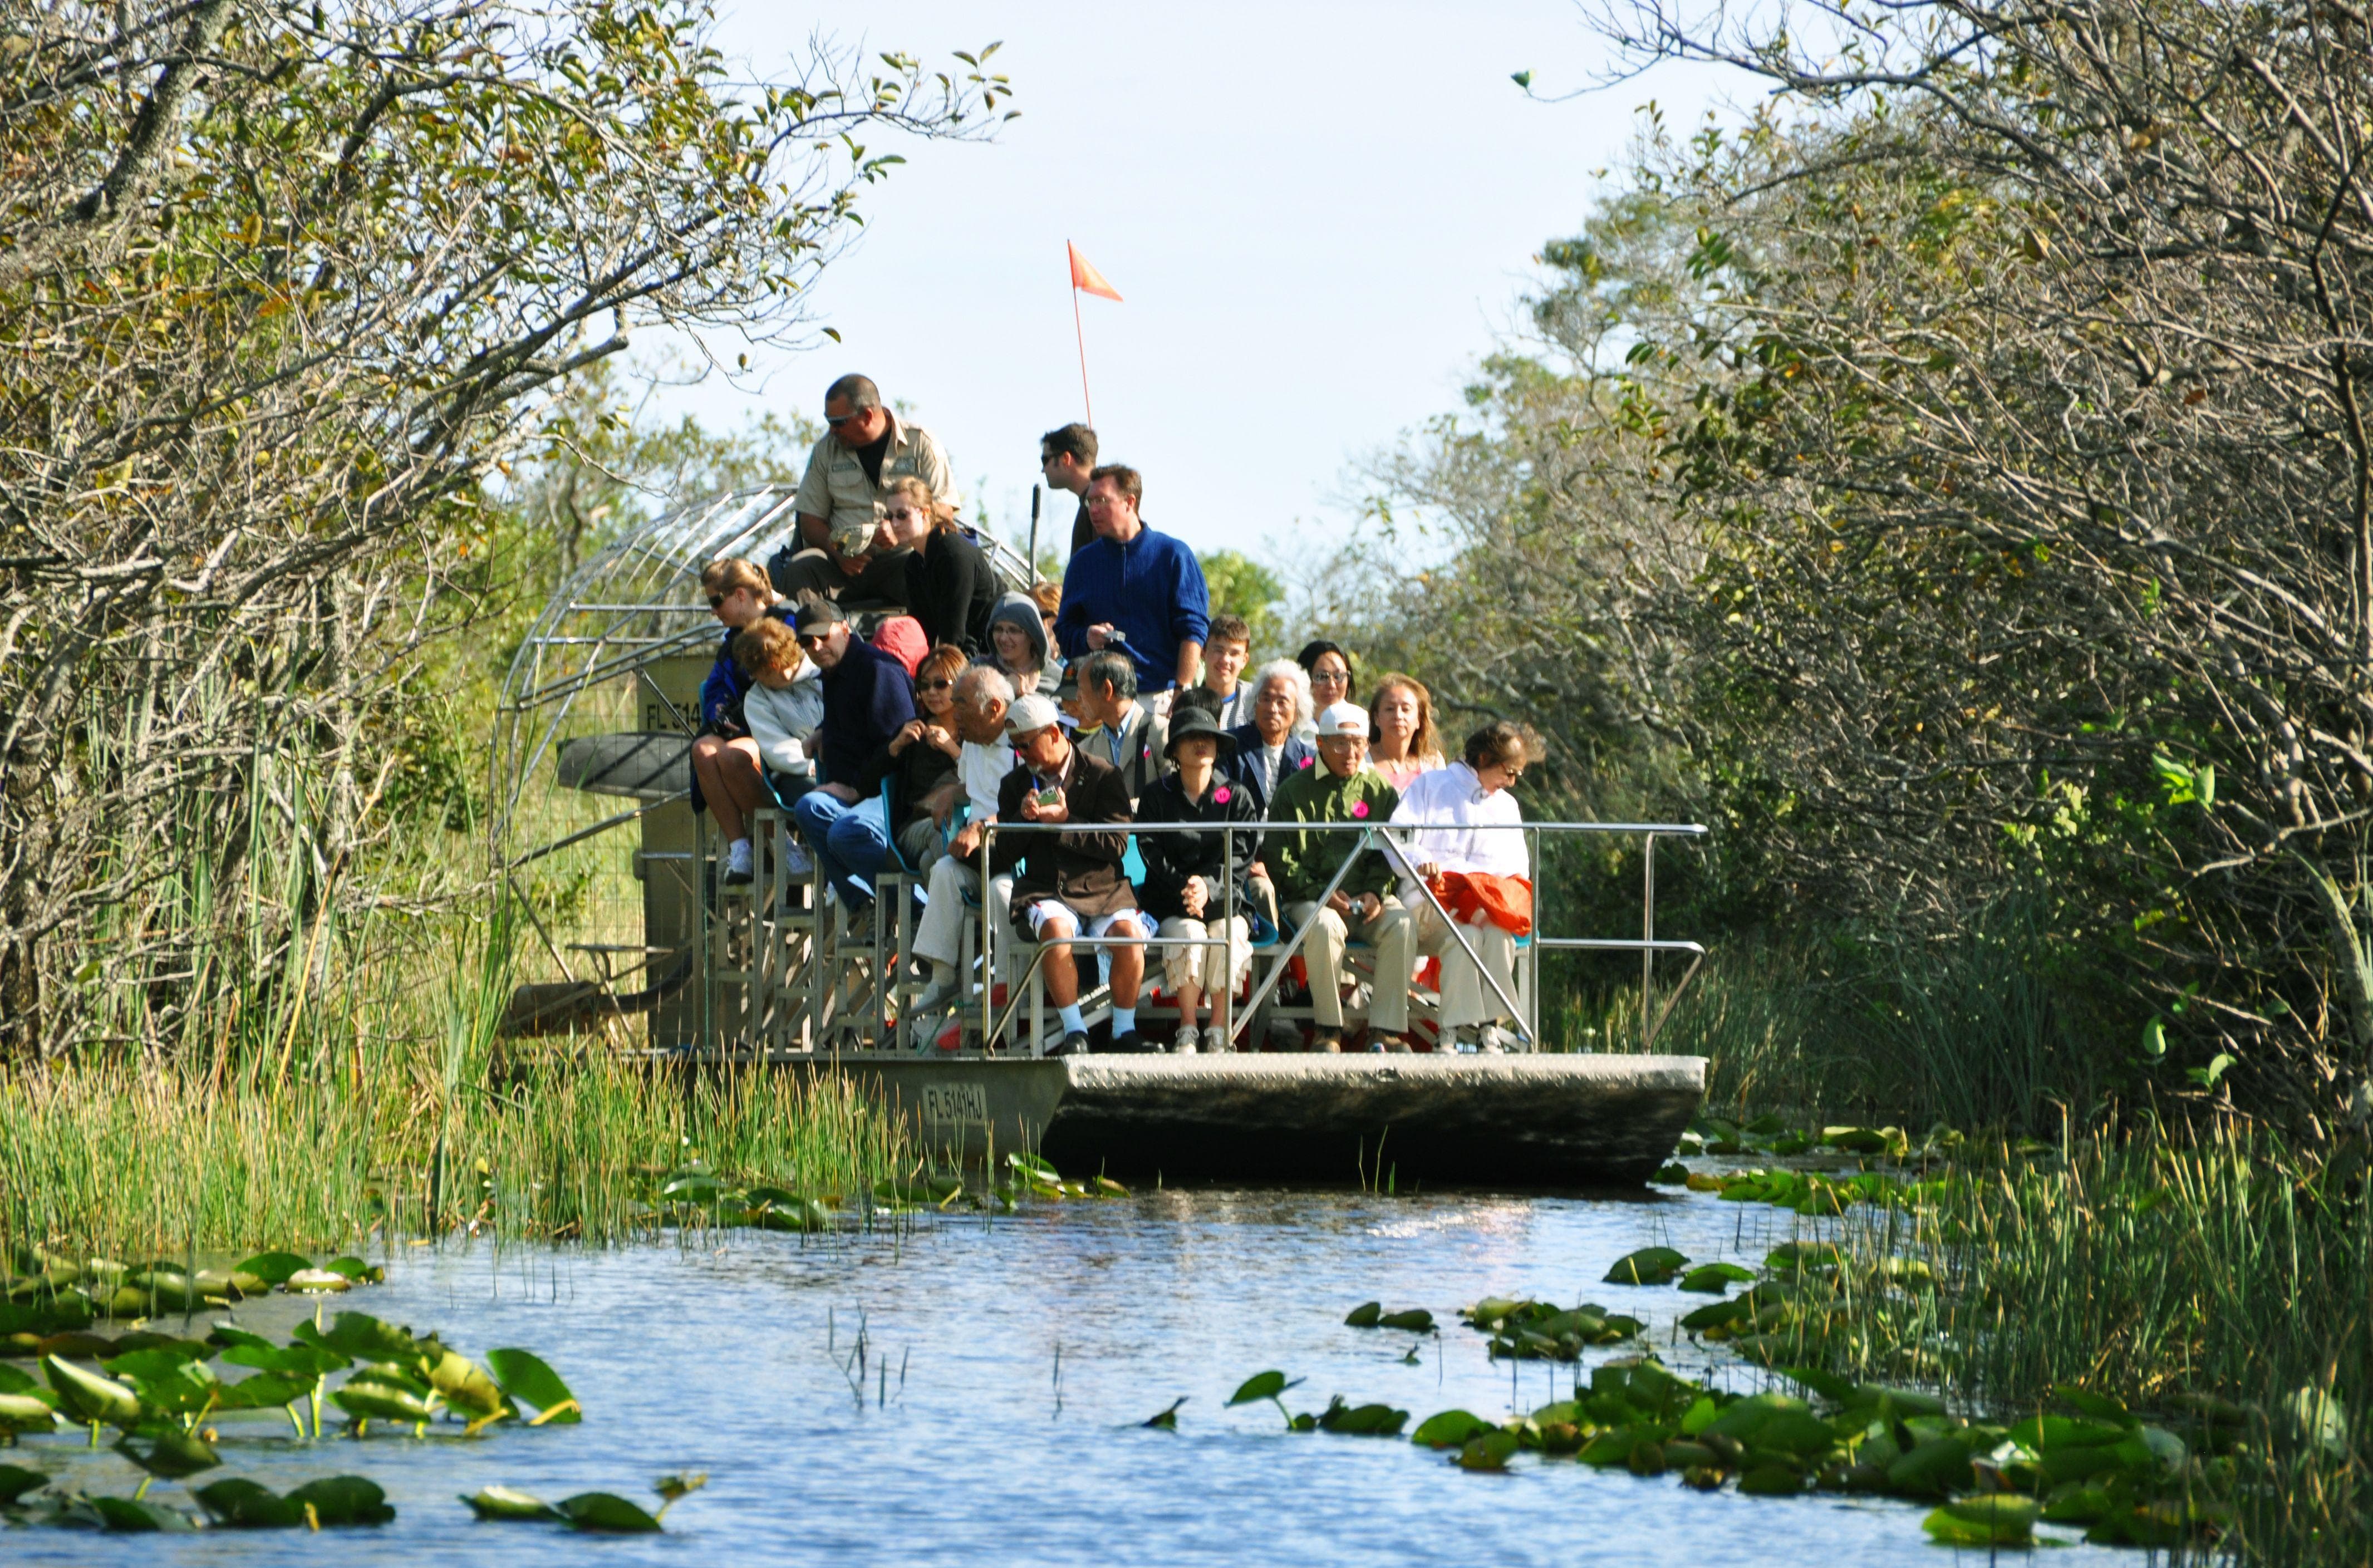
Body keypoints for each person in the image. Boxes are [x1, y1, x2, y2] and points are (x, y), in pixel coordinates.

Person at [990, 695, 1150, 1056]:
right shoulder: (1014, 784)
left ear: (1053, 732)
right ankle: (1074, 1030)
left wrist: (1064, 823)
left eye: (1026, 744)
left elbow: (1116, 844)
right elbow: (1005, 853)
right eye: (1015, 747)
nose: (1021, 754)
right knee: (1055, 930)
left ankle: (1124, 1031)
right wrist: (1023, 821)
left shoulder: (1104, 774)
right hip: (1045, 888)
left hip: (1103, 889)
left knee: (1128, 933)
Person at [1270, 701, 1411, 1052]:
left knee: (1402, 924)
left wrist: (1377, 892)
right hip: (1311, 899)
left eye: (1359, 743)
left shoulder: (1380, 791)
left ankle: (1384, 1031)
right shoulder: (1293, 791)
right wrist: (1322, 893)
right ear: (1320, 743)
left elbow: (1392, 853)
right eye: (1340, 743)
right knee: (1324, 927)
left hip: (1367, 900)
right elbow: (1280, 859)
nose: (1351, 752)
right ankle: (1328, 1030)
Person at [1391, 721, 1540, 1053]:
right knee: (1467, 936)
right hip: (1429, 902)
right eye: (1509, 772)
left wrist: (1488, 891)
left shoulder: (1507, 806)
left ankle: (1490, 1028)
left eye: (1518, 774)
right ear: (1484, 758)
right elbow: (1397, 836)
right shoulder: (1431, 785)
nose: (1513, 782)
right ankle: (1450, 1030)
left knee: (1501, 935)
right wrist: (1420, 860)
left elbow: (1519, 869)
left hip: (1483, 906)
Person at [1133, 705, 1261, 1054]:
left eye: (1208, 738)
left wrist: (1208, 886)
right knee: (1190, 933)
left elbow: (1241, 857)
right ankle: (1188, 1028)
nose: (1201, 744)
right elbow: (1150, 851)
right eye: (1190, 738)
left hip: (1226, 899)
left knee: (1226, 934)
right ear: (1174, 750)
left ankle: (1219, 1031)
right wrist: (1186, 888)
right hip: (1172, 900)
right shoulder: (1156, 796)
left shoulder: (1237, 796)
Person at [787, 598, 917, 920]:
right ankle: (863, 902)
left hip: (888, 794)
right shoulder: (835, 672)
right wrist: (822, 730)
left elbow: (901, 750)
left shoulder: (877, 670)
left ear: (845, 629)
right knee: (808, 808)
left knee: (844, 833)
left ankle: (914, 908)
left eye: (823, 635)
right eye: (806, 641)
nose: (816, 646)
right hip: (853, 790)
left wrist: (856, 789)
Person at [911, 666, 1019, 1020]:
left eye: (963, 706)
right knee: (943, 870)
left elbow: (1039, 804)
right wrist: (950, 793)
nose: (955, 715)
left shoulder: (1025, 742)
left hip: (1020, 857)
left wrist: (986, 827)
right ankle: (942, 978)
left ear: (994, 710)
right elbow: (975, 787)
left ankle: (1005, 986)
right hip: (979, 856)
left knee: (1003, 893)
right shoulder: (974, 742)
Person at [1054, 465, 1208, 693]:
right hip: (1099, 702)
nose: (1093, 510)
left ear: (1130, 502)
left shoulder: (1174, 556)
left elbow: (1194, 630)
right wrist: (1086, 638)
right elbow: (1064, 632)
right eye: (1090, 502)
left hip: (1163, 699)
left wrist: (1182, 689)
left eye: (1102, 501)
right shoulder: (1082, 564)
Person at [689, 558, 792, 884]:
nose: (714, 611)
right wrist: (720, 714)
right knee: (704, 750)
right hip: (741, 725)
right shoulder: (731, 642)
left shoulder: (786, 621)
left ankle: (783, 845)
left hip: (777, 725)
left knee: (733, 755)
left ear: (741, 595)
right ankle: (740, 849)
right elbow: (718, 686)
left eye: (717, 601)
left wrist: (746, 715)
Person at [787, 372, 956, 556]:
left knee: (927, 562)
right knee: (802, 568)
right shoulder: (825, 450)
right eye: (829, 421)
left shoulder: (922, 444)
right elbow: (810, 520)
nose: (832, 430)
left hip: (905, 560)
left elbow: (943, 511)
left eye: (839, 423)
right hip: (843, 563)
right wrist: (838, 554)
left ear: (867, 416)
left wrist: (899, 530)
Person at [851, 643, 966, 879]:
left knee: (928, 864)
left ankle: (941, 914)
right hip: (917, 826)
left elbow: (985, 779)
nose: (931, 692)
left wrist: (953, 749)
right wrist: (895, 747)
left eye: (940, 684)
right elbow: (865, 786)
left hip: (964, 821)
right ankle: (973, 900)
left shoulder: (975, 734)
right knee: (941, 834)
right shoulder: (912, 732)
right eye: (924, 685)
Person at [873, 475, 997, 655]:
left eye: (902, 515)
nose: (894, 524)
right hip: (965, 648)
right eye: (889, 516)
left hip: (991, 648)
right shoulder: (914, 564)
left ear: (924, 513)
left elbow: (953, 635)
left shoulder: (952, 553)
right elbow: (922, 632)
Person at [732, 616, 824, 808]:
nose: (752, 677)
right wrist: (811, 765)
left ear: (771, 666)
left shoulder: (822, 673)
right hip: (797, 774)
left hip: (846, 763)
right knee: (822, 801)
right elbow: (776, 748)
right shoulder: (757, 698)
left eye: (752, 670)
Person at [1072, 648, 1168, 808]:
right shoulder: (1085, 749)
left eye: (1082, 689)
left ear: (1106, 690)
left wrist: (1122, 811)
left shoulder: (1161, 732)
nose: (1078, 698)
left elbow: (1173, 792)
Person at [1221, 659, 1315, 815]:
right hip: (1241, 837)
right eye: (1266, 699)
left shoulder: (1308, 758)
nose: (1273, 709)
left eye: (1282, 702)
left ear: (1297, 711)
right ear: (1255, 703)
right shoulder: (1230, 745)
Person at [1368, 672, 1445, 793]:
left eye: (1406, 709)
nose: (1398, 716)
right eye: (1390, 709)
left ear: (1419, 719)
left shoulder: (1433, 763)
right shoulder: (1362, 762)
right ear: (1377, 718)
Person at [981, 589, 1060, 697]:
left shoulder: (1057, 677)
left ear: (1032, 635)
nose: (1003, 638)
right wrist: (1002, 687)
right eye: (998, 629)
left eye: (1013, 630)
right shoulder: (979, 670)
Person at [1039, 422, 1098, 557]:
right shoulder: (1093, 504)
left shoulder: (1095, 507)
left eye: (1045, 460)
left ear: (1066, 459)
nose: (1043, 470)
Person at [1200, 613, 1256, 729]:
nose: (1225, 660)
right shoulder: (1188, 701)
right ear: (1203, 653)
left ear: (1244, 660)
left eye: (1235, 653)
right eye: (1218, 650)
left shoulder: (1256, 702)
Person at [1296, 641, 1355, 735]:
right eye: (1321, 677)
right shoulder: (1291, 730)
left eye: (1339, 676)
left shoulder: (1361, 725)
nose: (1332, 685)